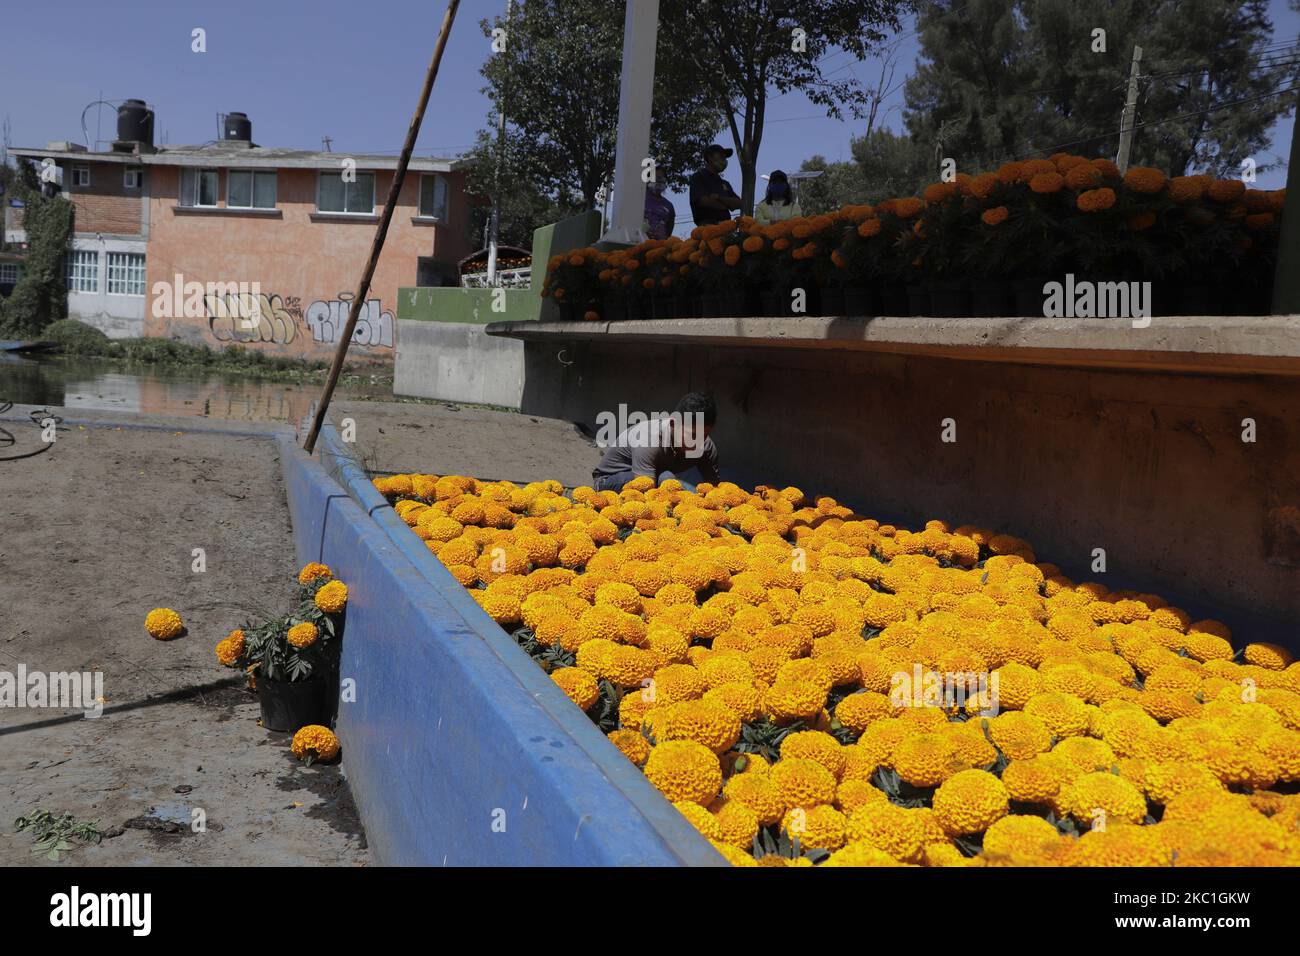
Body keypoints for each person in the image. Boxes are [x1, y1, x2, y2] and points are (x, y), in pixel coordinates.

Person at [592, 392, 720, 492]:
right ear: (673, 423)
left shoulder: (706, 447)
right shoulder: (649, 439)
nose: (697, 442)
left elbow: (716, 490)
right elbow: (646, 489)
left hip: (655, 478)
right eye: (691, 435)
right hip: (608, 480)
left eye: (704, 436)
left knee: (673, 484)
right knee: (668, 480)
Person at [688, 144, 742, 228]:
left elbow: (739, 203)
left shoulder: (724, 183)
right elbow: (703, 201)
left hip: (726, 227)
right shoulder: (698, 177)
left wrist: (719, 198)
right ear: (710, 158)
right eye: (721, 156)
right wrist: (727, 204)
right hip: (707, 227)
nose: (724, 160)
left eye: (725, 157)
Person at [643, 164, 676, 240]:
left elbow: (668, 231)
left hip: (658, 247)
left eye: (662, 180)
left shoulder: (669, 206)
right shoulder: (639, 199)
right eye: (656, 178)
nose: (659, 182)